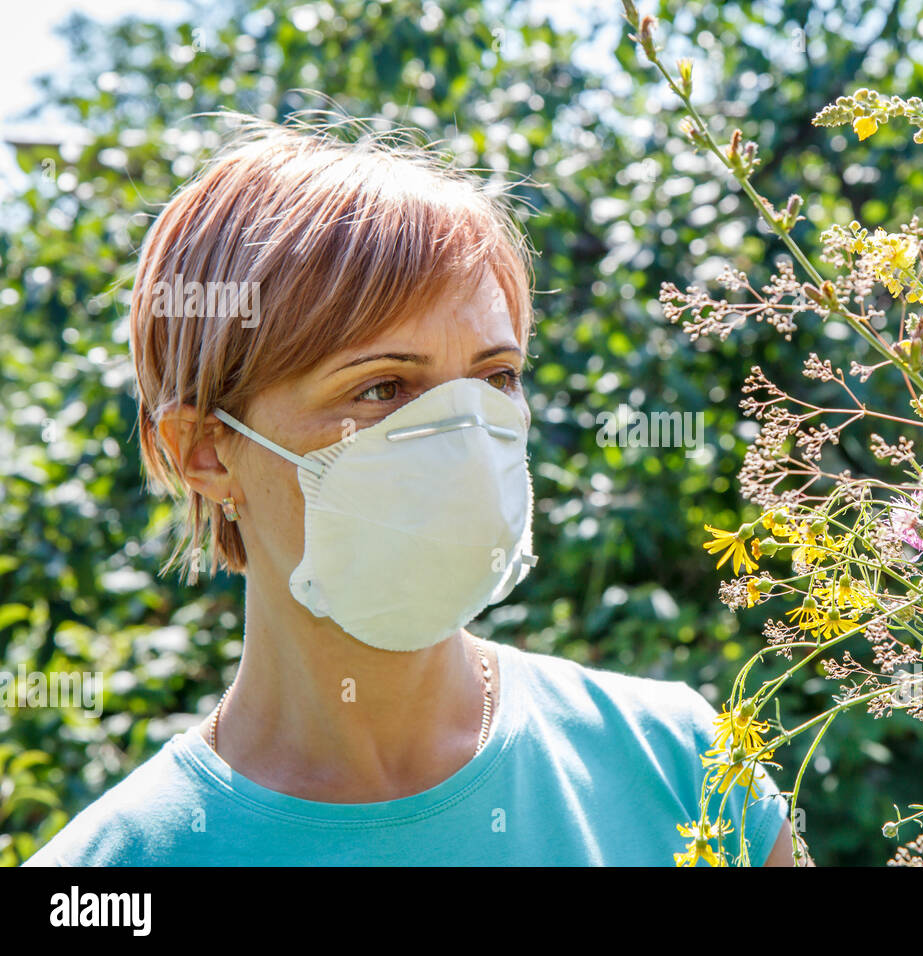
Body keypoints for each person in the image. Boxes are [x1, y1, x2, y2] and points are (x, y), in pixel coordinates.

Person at [24, 115, 805, 866]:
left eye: (496, 377)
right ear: (201, 451)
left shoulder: (683, 766)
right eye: (382, 387)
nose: (462, 434)